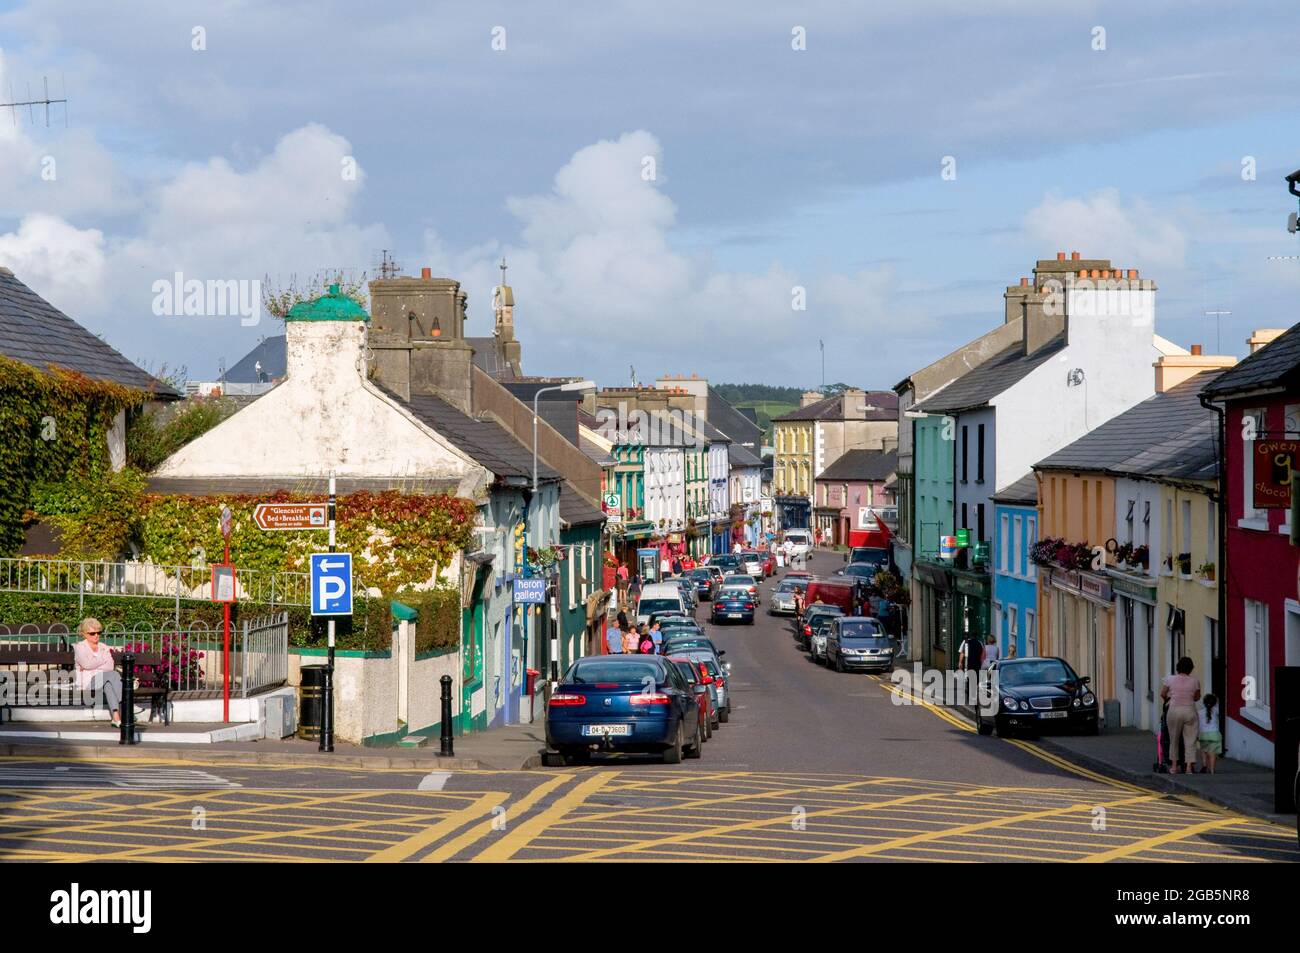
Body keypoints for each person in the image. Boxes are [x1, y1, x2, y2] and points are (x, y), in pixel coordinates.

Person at [74, 617, 122, 727]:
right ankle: (125, 706)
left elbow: (110, 666)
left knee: (108, 684)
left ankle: (116, 717)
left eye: (98, 632)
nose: (96, 635)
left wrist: (94, 666)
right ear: (84, 634)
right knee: (114, 674)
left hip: (102, 679)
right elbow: (86, 664)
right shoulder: (80, 647)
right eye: (92, 633)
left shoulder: (103, 647)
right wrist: (101, 661)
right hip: (88, 682)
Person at [1161, 656, 1202, 774]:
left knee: (1174, 739)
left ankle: (1174, 766)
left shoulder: (1170, 679)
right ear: (1191, 669)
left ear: (1178, 667)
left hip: (1174, 710)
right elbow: (1197, 697)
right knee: (1190, 740)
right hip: (1189, 711)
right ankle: (1189, 767)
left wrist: (1169, 698)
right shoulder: (1195, 681)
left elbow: (1163, 693)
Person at [1197, 692, 1221, 774]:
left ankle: (1204, 765)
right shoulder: (1216, 711)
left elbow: (1198, 724)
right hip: (1214, 734)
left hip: (1203, 734)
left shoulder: (1199, 712)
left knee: (1204, 750)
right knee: (1212, 753)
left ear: (1204, 702)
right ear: (1214, 703)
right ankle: (1212, 770)